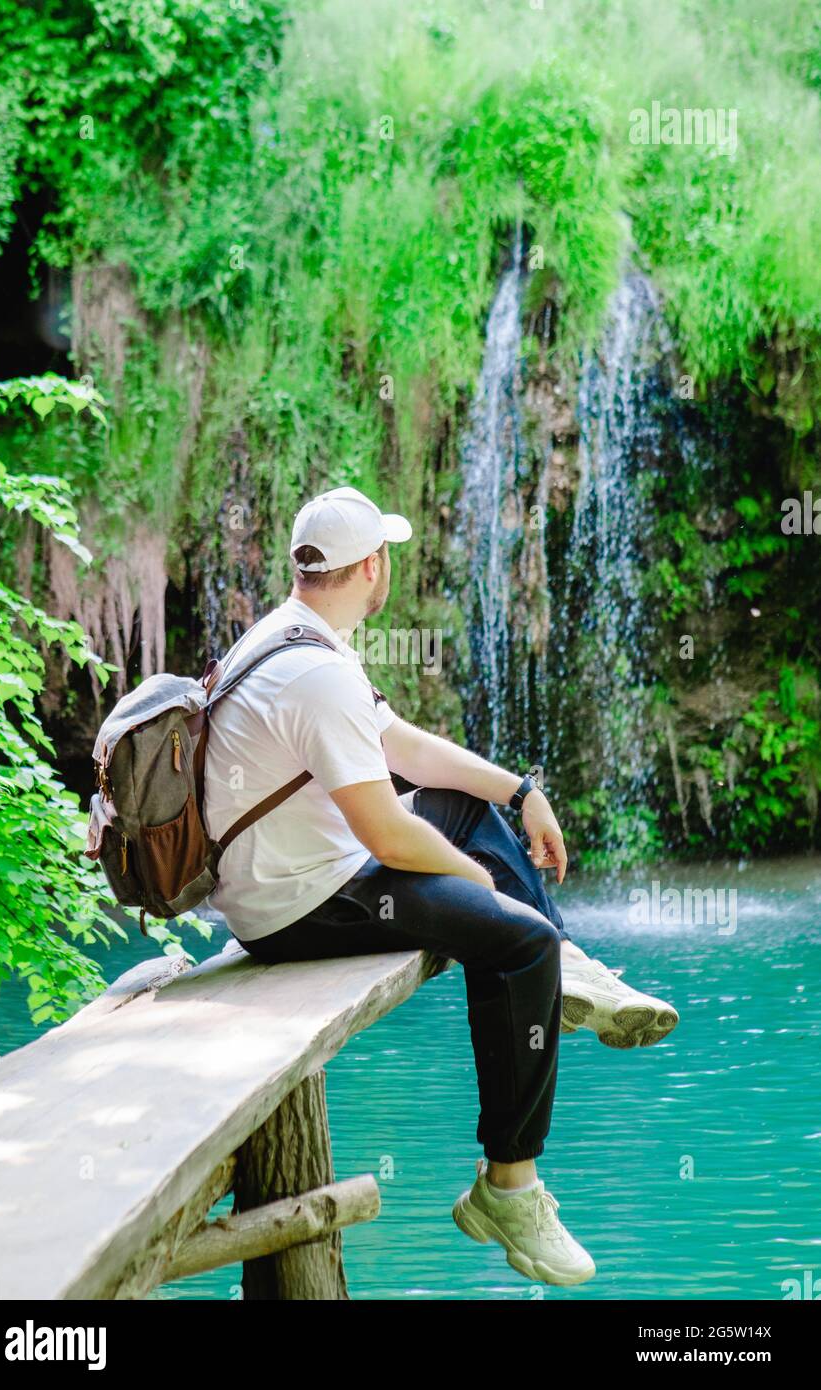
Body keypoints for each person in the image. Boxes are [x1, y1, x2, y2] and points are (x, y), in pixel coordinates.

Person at [203, 486, 679, 1287]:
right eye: (387, 553)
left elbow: (402, 749)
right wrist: (488, 895)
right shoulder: (316, 675)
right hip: (299, 905)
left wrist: (519, 792)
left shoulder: (295, 640)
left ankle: (570, 969)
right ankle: (509, 1187)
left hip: (305, 871)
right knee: (517, 942)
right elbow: (387, 834)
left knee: (470, 810)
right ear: (370, 566)